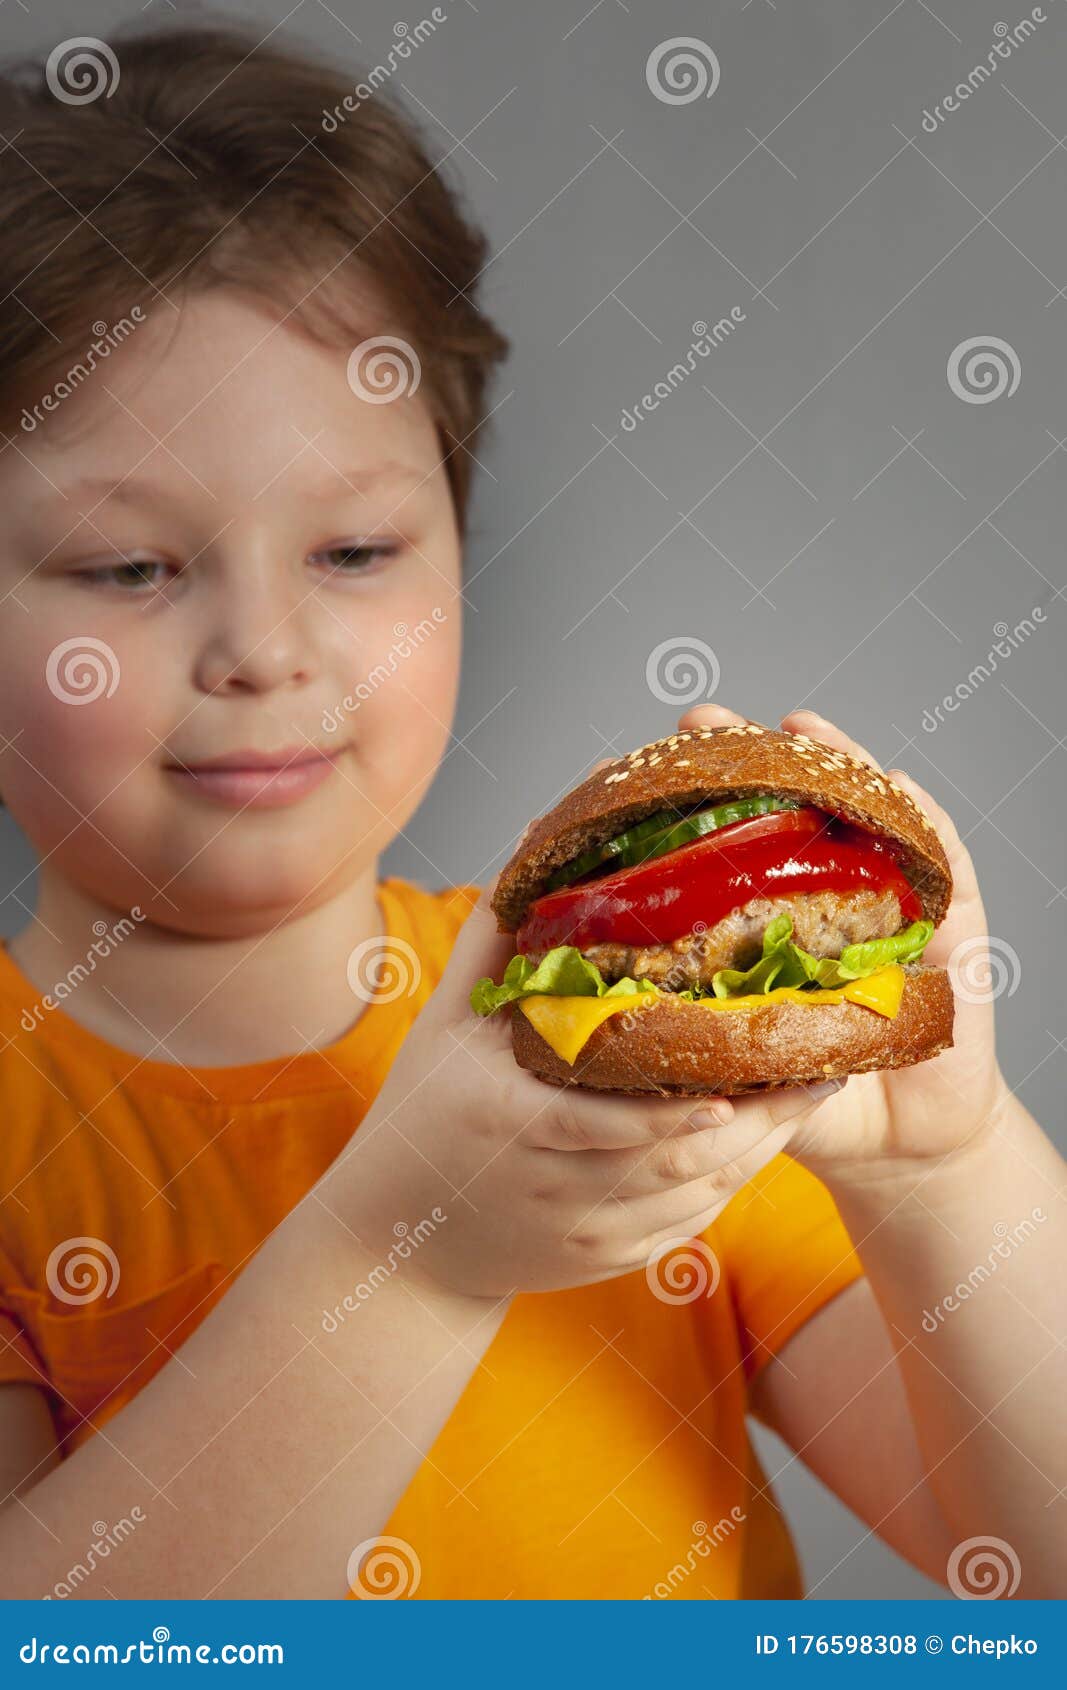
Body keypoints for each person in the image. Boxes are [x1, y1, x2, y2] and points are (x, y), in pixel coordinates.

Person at [0, 21, 1062, 1602]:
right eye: (129, 567)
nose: (265, 650)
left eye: (354, 552)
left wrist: (942, 1169)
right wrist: (412, 1258)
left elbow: (1030, 1563)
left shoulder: (648, 1043)